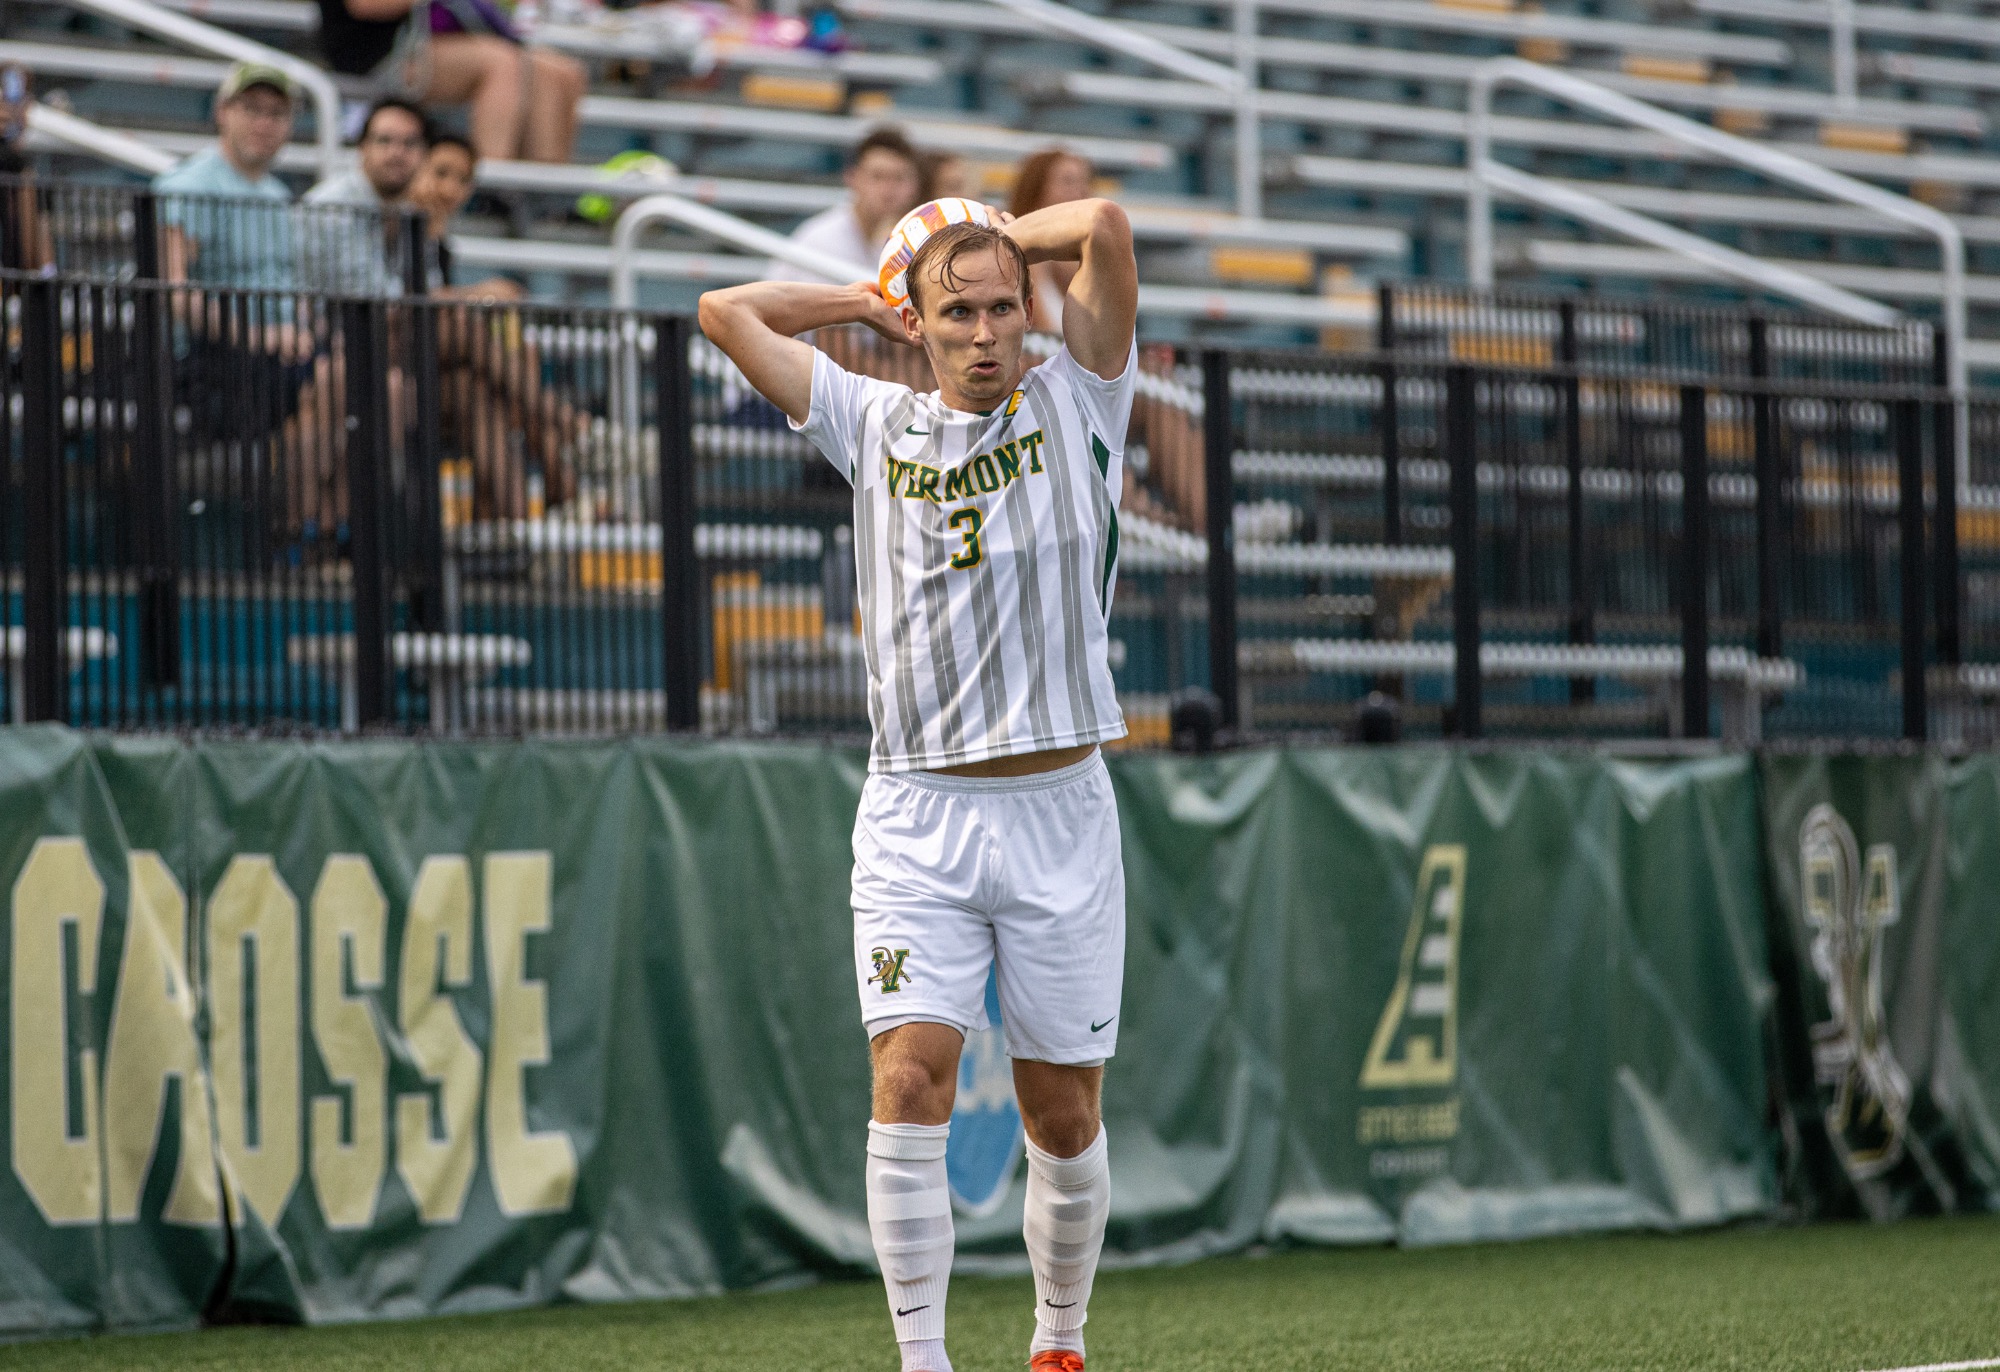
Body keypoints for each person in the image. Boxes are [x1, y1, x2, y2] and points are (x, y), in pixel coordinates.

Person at [701, 193, 1139, 1372]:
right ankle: (922, 1360)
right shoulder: (871, 419)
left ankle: (1057, 1339)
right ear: (921, 325)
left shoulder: (1081, 400)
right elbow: (723, 311)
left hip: (1059, 811)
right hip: (917, 813)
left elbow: (1098, 219)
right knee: (908, 1076)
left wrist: (981, 230)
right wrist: (864, 292)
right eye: (960, 313)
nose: (991, 331)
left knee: (1063, 1112)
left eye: (1006, 306)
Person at [154, 63, 336, 536]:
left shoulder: (277, 195)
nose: (264, 122)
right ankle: (297, 531)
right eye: (251, 108)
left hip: (281, 356)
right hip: (210, 359)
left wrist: (303, 330)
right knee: (335, 382)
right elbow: (174, 292)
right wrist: (255, 335)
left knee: (387, 388)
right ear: (222, 113)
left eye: (277, 113)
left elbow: (290, 289)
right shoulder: (190, 185)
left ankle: (327, 531)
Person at [1010, 147, 1204, 531]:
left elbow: (1104, 320)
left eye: (1085, 182)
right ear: (1036, 192)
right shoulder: (1015, 258)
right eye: (1066, 181)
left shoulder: (1078, 262)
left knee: (1155, 392)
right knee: (1093, 416)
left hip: (1078, 389)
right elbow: (1043, 341)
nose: (1079, 191)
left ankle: (1205, 523)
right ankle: (1146, 518)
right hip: (1035, 390)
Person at [407, 132, 578, 518]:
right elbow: (405, 309)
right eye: (441, 173)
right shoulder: (391, 227)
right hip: (393, 367)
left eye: (463, 180)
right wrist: (481, 292)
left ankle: (506, 528)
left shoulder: (438, 242)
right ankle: (561, 435)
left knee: (485, 388)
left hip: (439, 379)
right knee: (474, 326)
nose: (451, 188)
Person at [315, 0, 585, 164]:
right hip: (372, 56)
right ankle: (491, 185)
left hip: (425, 43)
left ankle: (545, 200)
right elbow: (365, 5)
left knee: (563, 73)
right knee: (502, 64)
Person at [302, 96, 431, 294]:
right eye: (384, 141)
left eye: (409, 143)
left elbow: (429, 286)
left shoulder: (412, 209)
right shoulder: (332, 204)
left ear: (424, 153)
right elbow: (368, 297)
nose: (397, 153)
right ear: (362, 148)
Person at [765, 126, 922, 283]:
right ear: (852, 178)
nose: (888, 190)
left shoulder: (893, 240)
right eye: (877, 177)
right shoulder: (823, 241)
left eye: (899, 178)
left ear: (915, 184)